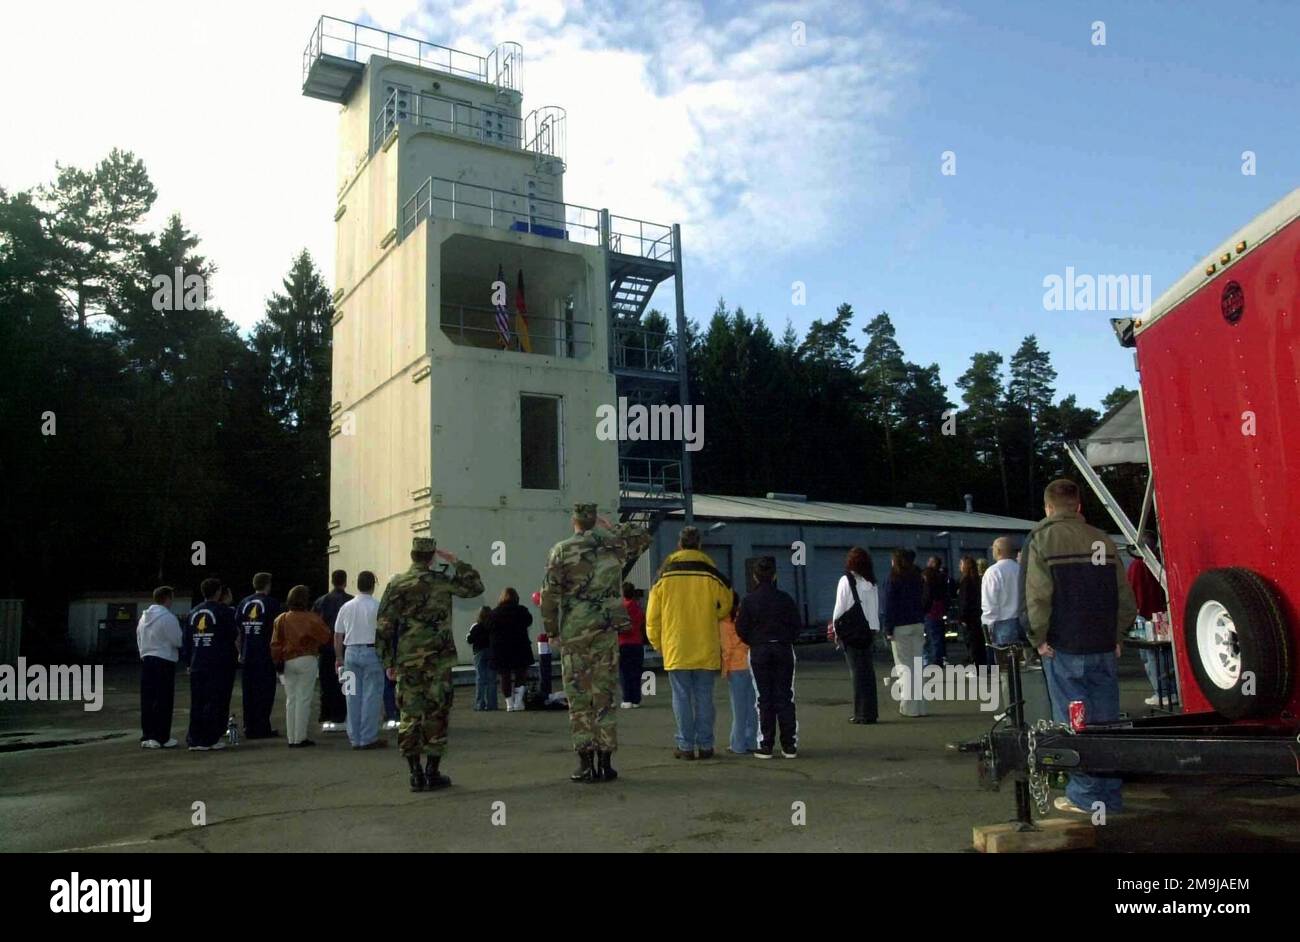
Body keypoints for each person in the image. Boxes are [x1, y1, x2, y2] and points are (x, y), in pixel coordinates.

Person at [1025, 478, 1137, 818]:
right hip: (1103, 646)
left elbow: (1038, 597)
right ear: (1078, 507)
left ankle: (1086, 796)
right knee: (1106, 722)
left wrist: (1037, 638)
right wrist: (1118, 635)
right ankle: (1109, 796)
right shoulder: (1102, 540)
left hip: (1065, 648)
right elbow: (1124, 597)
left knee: (1075, 723)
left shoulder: (1041, 540)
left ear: (1047, 508)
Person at [541, 503, 651, 783]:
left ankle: (585, 763)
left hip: (575, 630)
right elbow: (643, 536)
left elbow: (549, 595)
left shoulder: (561, 550)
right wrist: (612, 527)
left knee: (579, 697)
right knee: (604, 697)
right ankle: (606, 763)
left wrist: (552, 630)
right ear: (594, 521)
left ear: (573, 521)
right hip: (605, 628)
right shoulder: (614, 547)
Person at [377, 537, 484, 792]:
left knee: (410, 715)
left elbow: (383, 626)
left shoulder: (397, 584)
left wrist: (387, 661)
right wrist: (457, 562)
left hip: (408, 660)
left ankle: (414, 773)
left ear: (412, 555)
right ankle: (432, 771)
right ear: (432, 557)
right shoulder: (441, 582)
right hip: (438, 659)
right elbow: (475, 587)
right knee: (437, 713)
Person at [645, 526, 733, 761]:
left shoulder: (664, 573)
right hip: (705, 645)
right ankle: (705, 745)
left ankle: (685, 746)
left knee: (681, 696)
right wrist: (713, 615)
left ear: (679, 545)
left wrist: (656, 641)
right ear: (700, 545)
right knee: (704, 696)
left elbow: (652, 614)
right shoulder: (710, 570)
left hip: (676, 646)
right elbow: (728, 601)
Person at [736, 556, 801, 758]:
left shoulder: (748, 600)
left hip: (759, 650)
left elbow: (740, 629)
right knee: (785, 696)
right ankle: (789, 745)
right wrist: (785, 639)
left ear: (755, 577)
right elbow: (796, 626)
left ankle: (766, 744)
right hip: (783, 649)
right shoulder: (786, 599)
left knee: (763, 698)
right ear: (775, 575)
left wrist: (754, 641)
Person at [271, 585, 332, 748]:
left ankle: (292, 737)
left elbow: (275, 643)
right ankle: (300, 736)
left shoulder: (281, 618)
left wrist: (278, 659)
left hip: (288, 660)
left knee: (291, 699)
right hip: (307, 658)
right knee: (304, 699)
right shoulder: (311, 618)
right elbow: (326, 636)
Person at [183, 577, 239, 751]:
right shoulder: (223, 611)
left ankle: (194, 737)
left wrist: (188, 661)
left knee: (197, 701)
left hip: (197, 662)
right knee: (214, 701)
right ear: (218, 592)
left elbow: (186, 640)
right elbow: (233, 635)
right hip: (218, 663)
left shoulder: (194, 612)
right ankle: (209, 738)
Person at [335, 570, 386, 748]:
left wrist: (339, 658)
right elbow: (384, 633)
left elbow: (338, 635)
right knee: (371, 696)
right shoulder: (378, 606)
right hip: (371, 652)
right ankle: (368, 737)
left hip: (350, 653)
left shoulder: (346, 607)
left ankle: (354, 737)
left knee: (351, 695)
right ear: (373, 585)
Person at [831, 547, 881, 724]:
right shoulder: (871, 582)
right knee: (868, 672)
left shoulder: (846, 580)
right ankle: (871, 712)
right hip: (868, 632)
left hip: (851, 633)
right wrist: (875, 629)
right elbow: (874, 609)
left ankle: (861, 713)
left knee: (856, 673)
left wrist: (836, 631)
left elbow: (840, 608)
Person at [1127, 533, 1175, 706]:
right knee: (1166, 653)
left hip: (1145, 617)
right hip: (1163, 614)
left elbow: (1132, 592)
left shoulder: (1136, 566)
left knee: (1150, 656)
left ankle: (1160, 692)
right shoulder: (1160, 563)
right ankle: (1173, 691)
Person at [235, 573, 280, 739]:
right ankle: (262, 726)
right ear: (268, 584)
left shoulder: (243, 603)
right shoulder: (272, 604)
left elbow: (238, 631)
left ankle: (249, 726)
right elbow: (277, 631)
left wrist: (240, 651)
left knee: (249, 693)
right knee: (265, 693)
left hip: (248, 654)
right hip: (265, 654)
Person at [137, 585, 183, 749]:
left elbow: (139, 639)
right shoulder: (168, 617)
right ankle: (162, 736)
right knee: (163, 699)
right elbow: (177, 640)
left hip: (147, 659)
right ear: (167, 598)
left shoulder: (143, 617)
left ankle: (148, 735)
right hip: (164, 660)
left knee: (148, 699)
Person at [884, 549, 927, 718]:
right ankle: (921, 706)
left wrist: (888, 629)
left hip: (900, 626)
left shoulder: (893, 578)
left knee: (904, 667)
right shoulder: (918, 576)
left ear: (896, 561)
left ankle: (909, 707)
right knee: (917, 666)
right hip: (917, 623)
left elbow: (889, 605)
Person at [312, 570, 352, 731]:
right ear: (345, 581)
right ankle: (342, 715)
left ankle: (326, 715)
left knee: (326, 683)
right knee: (346, 685)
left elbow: (314, 625)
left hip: (325, 648)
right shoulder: (350, 601)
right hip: (345, 648)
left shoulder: (321, 601)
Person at [719, 589, 757, 753]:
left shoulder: (724, 623)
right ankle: (753, 742)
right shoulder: (746, 618)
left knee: (738, 709)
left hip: (735, 667)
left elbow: (727, 650)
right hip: (750, 663)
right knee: (752, 707)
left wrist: (724, 669)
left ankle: (738, 745)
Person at [488, 587, 535, 712]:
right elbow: (529, 621)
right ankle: (519, 702)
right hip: (520, 647)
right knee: (521, 675)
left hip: (501, 650)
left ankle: (509, 704)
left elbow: (489, 629)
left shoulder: (494, 613)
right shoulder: (522, 611)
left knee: (505, 677)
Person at [982, 537, 1024, 660]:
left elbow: (989, 603)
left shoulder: (993, 572)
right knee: (1023, 666)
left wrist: (987, 624)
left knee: (1006, 668)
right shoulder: (1021, 569)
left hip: (1002, 624)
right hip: (1023, 622)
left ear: (998, 551)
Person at [618, 582, 646, 709]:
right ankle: (636, 699)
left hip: (623, 643)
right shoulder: (638, 607)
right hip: (637, 643)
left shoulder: (621, 607)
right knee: (636, 672)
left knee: (625, 672)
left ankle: (627, 698)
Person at [466, 605, 497, 711]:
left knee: (480, 678)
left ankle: (480, 704)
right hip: (492, 652)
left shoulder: (475, 626)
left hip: (479, 652)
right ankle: (492, 704)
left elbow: (469, 639)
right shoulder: (493, 626)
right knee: (491, 679)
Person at [957, 556, 985, 667]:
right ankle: (981, 666)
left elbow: (964, 600)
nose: (959, 566)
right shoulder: (977, 580)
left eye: (961, 564)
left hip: (969, 618)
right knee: (979, 644)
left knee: (972, 644)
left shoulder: (965, 581)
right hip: (977, 616)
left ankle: (976, 667)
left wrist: (962, 617)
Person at [921, 556, 948, 667]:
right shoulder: (941, 578)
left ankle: (936, 659)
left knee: (932, 635)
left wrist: (923, 607)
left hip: (932, 610)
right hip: (938, 609)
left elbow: (928, 596)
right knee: (938, 635)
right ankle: (940, 657)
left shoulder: (930, 579)